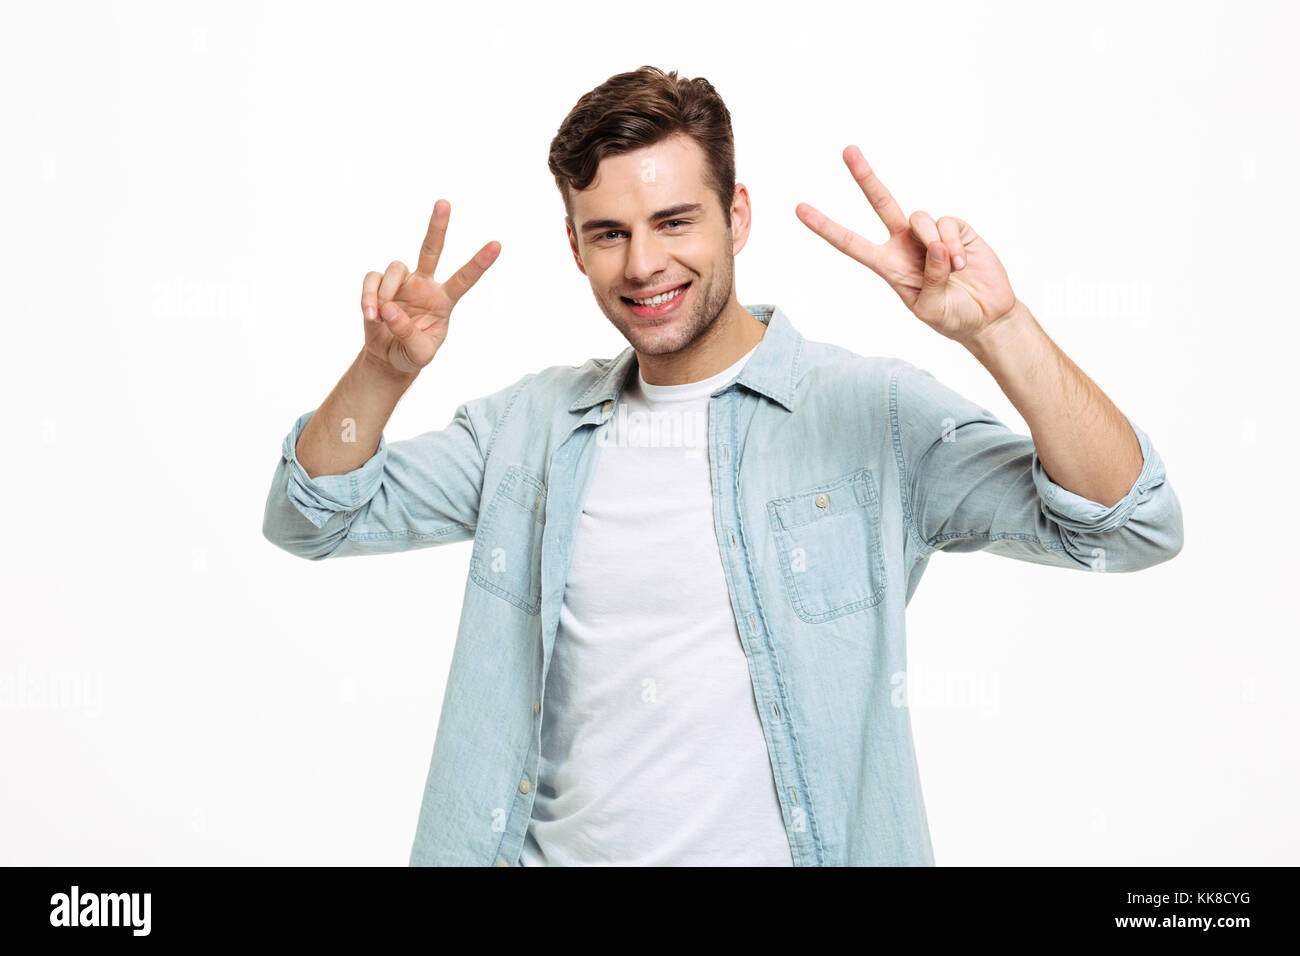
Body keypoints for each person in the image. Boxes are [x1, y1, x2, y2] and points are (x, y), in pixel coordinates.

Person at [261, 65, 1183, 866]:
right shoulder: (528, 429)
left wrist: (999, 330)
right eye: (609, 232)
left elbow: (1128, 522)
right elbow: (313, 515)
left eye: (674, 221)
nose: (645, 263)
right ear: (574, 246)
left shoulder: (869, 413)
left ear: (736, 217)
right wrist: (381, 373)